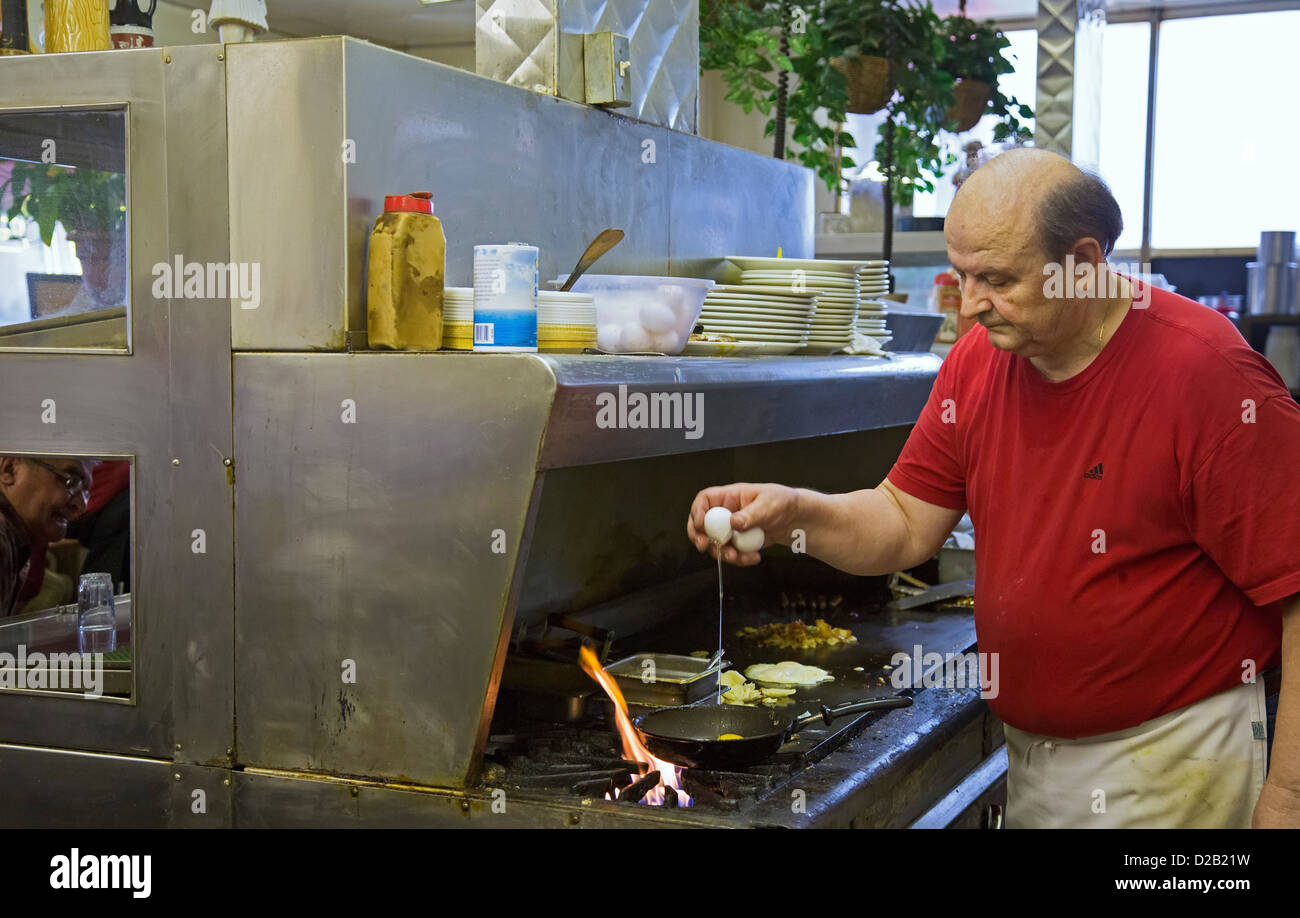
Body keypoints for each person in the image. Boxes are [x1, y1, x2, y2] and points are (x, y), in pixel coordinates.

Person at [687, 148, 1300, 829]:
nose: (971, 305)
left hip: (1175, 764)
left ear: (1084, 264)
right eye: (962, 274)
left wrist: (1288, 799)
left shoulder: (1208, 375)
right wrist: (796, 514)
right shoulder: (982, 360)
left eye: (996, 279)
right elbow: (902, 519)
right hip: (1035, 756)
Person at [0, 456, 93, 617]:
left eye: (85, 490)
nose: (81, 506)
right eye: (71, 481)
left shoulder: (18, 535)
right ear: (9, 469)